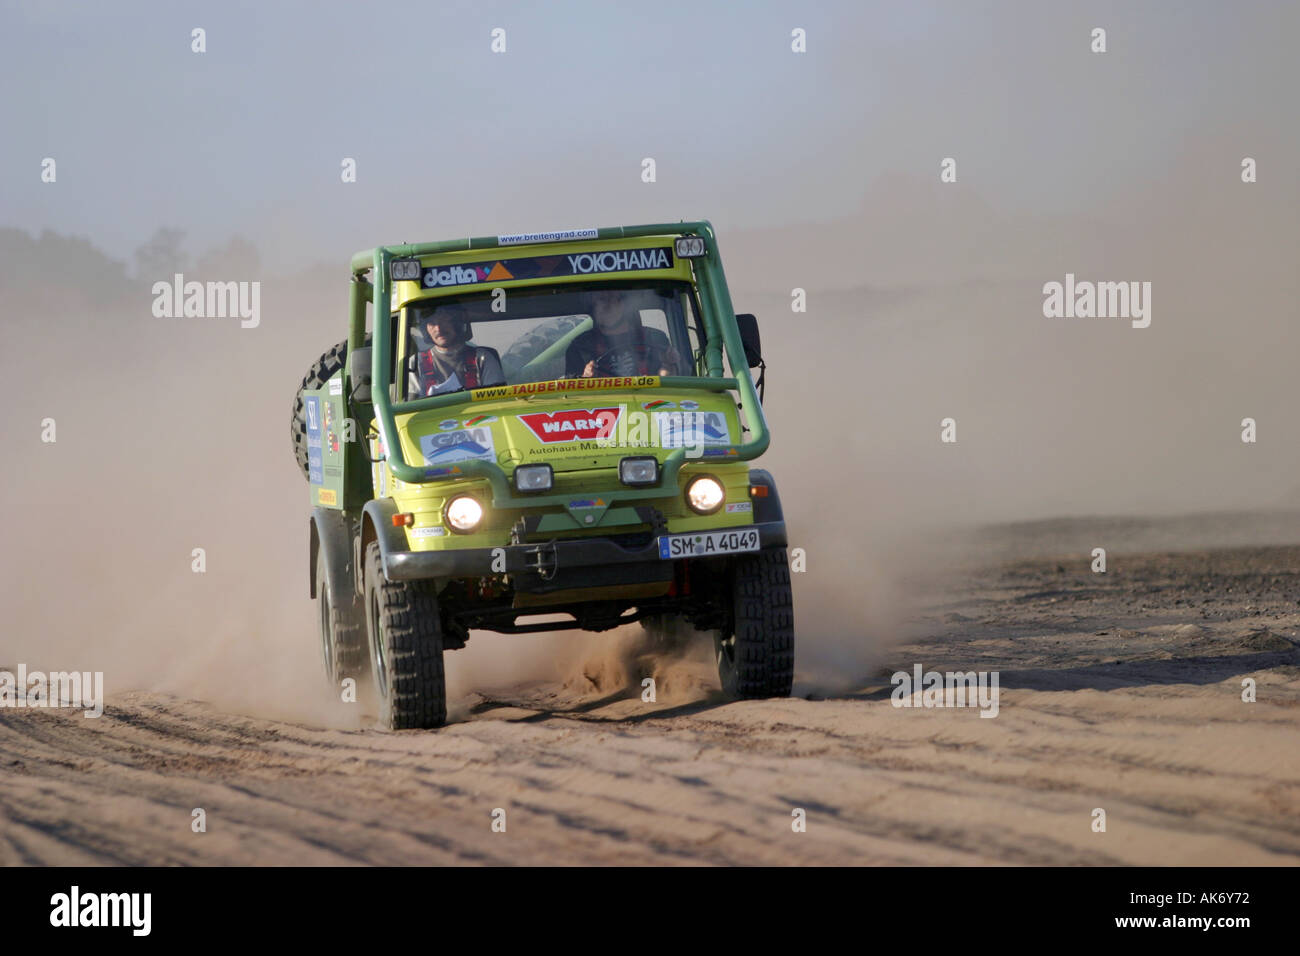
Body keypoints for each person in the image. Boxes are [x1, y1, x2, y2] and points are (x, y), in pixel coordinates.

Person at [565, 289, 686, 378]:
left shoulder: (655, 337)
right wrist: (586, 378)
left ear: (624, 304)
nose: (608, 305)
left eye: (614, 299)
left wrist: (669, 366)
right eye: (601, 300)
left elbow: (668, 384)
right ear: (593, 306)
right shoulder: (580, 347)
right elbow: (572, 396)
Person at [408, 302, 505, 397]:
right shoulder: (416, 362)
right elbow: (411, 406)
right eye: (432, 323)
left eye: (444, 321)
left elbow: (498, 401)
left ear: (457, 323)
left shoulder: (483, 358)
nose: (438, 328)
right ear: (425, 329)